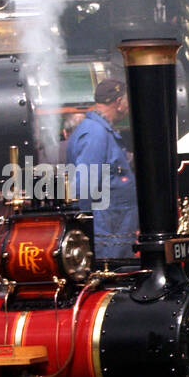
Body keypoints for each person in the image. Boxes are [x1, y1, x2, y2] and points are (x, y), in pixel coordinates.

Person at [66, 78, 135, 260]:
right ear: (119, 102)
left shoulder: (99, 132)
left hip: (114, 233)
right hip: (107, 237)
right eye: (128, 100)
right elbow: (84, 189)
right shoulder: (95, 134)